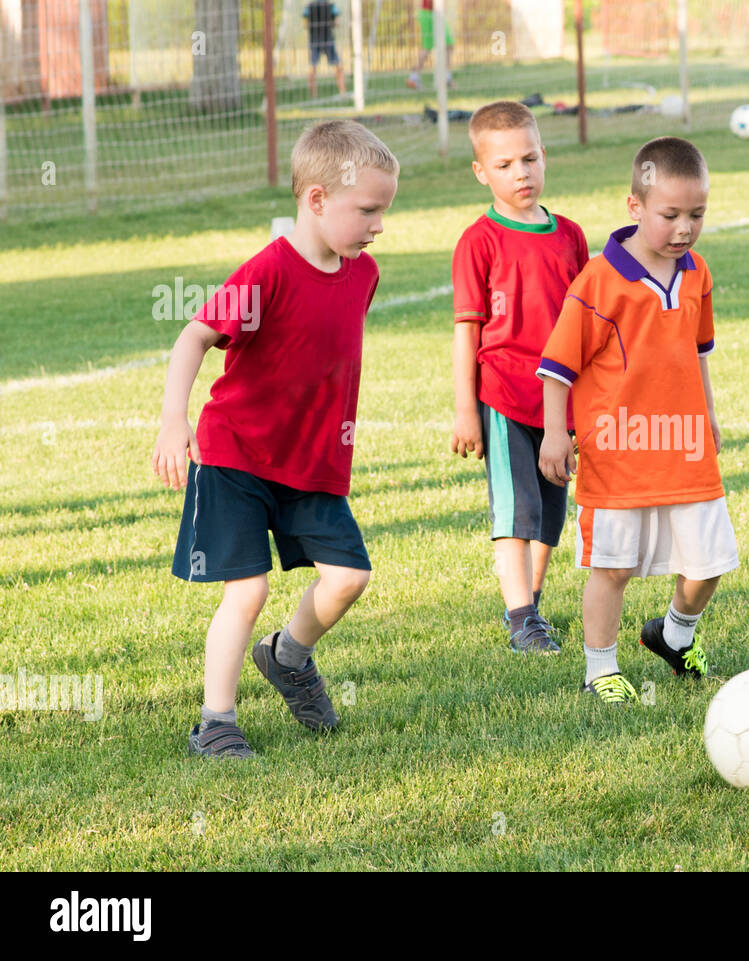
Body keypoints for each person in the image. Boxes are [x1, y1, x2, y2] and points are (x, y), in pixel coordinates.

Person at [152, 120, 399, 758]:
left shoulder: (363, 274)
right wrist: (173, 421)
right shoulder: (269, 272)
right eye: (367, 209)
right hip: (237, 455)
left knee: (347, 576)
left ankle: (289, 657)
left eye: (384, 210)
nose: (378, 225)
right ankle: (216, 722)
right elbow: (193, 337)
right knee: (250, 586)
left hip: (312, 462)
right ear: (316, 200)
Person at [537, 136, 738, 705]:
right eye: (669, 215)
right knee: (614, 568)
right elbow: (558, 366)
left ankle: (674, 634)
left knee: (710, 561)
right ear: (635, 207)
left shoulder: (697, 272)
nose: (684, 228)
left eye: (696, 214)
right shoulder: (599, 282)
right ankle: (600, 668)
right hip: (618, 449)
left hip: (686, 445)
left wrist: (710, 415)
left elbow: (697, 353)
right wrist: (556, 433)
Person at [451, 101, 589, 654]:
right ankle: (520, 618)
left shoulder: (571, 235)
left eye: (529, 159)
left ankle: (532, 605)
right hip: (503, 393)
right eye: (504, 165)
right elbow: (467, 329)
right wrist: (467, 410)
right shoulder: (478, 241)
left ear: (544, 155)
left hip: (561, 404)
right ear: (482, 172)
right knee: (516, 510)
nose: (521, 173)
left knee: (551, 510)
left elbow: (585, 324)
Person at [407, 1, 456, 90]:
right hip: (429, 13)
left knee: (447, 44)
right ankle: (414, 77)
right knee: (428, 47)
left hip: (432, 13)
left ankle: (445, 76)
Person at [304, 0, 347, 99]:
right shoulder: (331, 6)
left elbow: (306, 24)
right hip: (328, 39)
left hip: (315, 40)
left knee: (312, 67)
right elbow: (336, 23)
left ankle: (313, 96)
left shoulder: (309, 6)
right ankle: (343, 92)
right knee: (338, 66)